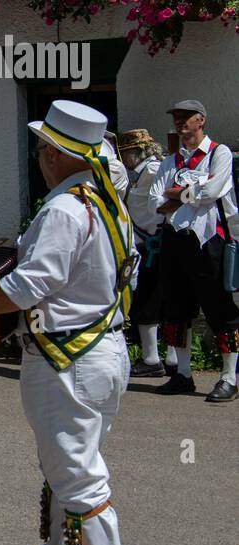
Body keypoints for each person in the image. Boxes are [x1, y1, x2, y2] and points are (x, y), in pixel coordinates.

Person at [0, 100, 132, 545]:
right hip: (98, 350)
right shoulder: (104, 200)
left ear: (53, 154)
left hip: (67, 356)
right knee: (65, 468)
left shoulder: (64, 209)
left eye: (42, 147)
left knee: (77, 475)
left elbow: (32, 286)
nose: (38, 156)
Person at [148, 99, 238, 402]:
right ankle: (183, 374)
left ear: (201, 120)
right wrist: (191, 195)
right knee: (176, 309)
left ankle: (229, 377)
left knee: (220, 309)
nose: (179, 122)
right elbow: (152, 201)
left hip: (208, 241)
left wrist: (173, 196)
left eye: (185, 117)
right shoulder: (169, 162)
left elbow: (213, 192)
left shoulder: (218, 153)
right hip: (174, 240)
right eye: (176, 116)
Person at [119, 129, 170, 378]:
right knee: (155, 298)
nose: (125, 159)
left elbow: (149, 209)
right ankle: (165, 358)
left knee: (149, 298)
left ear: (137, 152)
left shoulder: (151, 172)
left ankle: (152, 358)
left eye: (127, 153)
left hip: (151, 246)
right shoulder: (144, 173)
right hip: (148, 244)